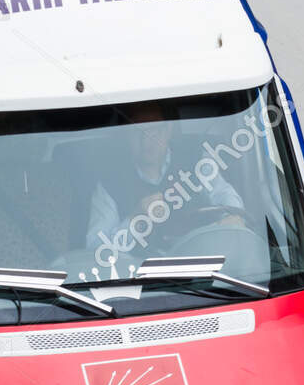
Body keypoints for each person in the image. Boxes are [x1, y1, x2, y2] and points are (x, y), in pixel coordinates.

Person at [85, 102, 246, 267]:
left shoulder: (196, 158)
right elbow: (96, 250)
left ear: (168, 130)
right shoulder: (109, 183)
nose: (146, 140)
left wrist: (232, 218)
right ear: (126, 135)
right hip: (143, 280)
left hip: (204, 268)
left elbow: (223, 193)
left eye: (154, 130)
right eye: (137, 131)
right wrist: (134, 220)